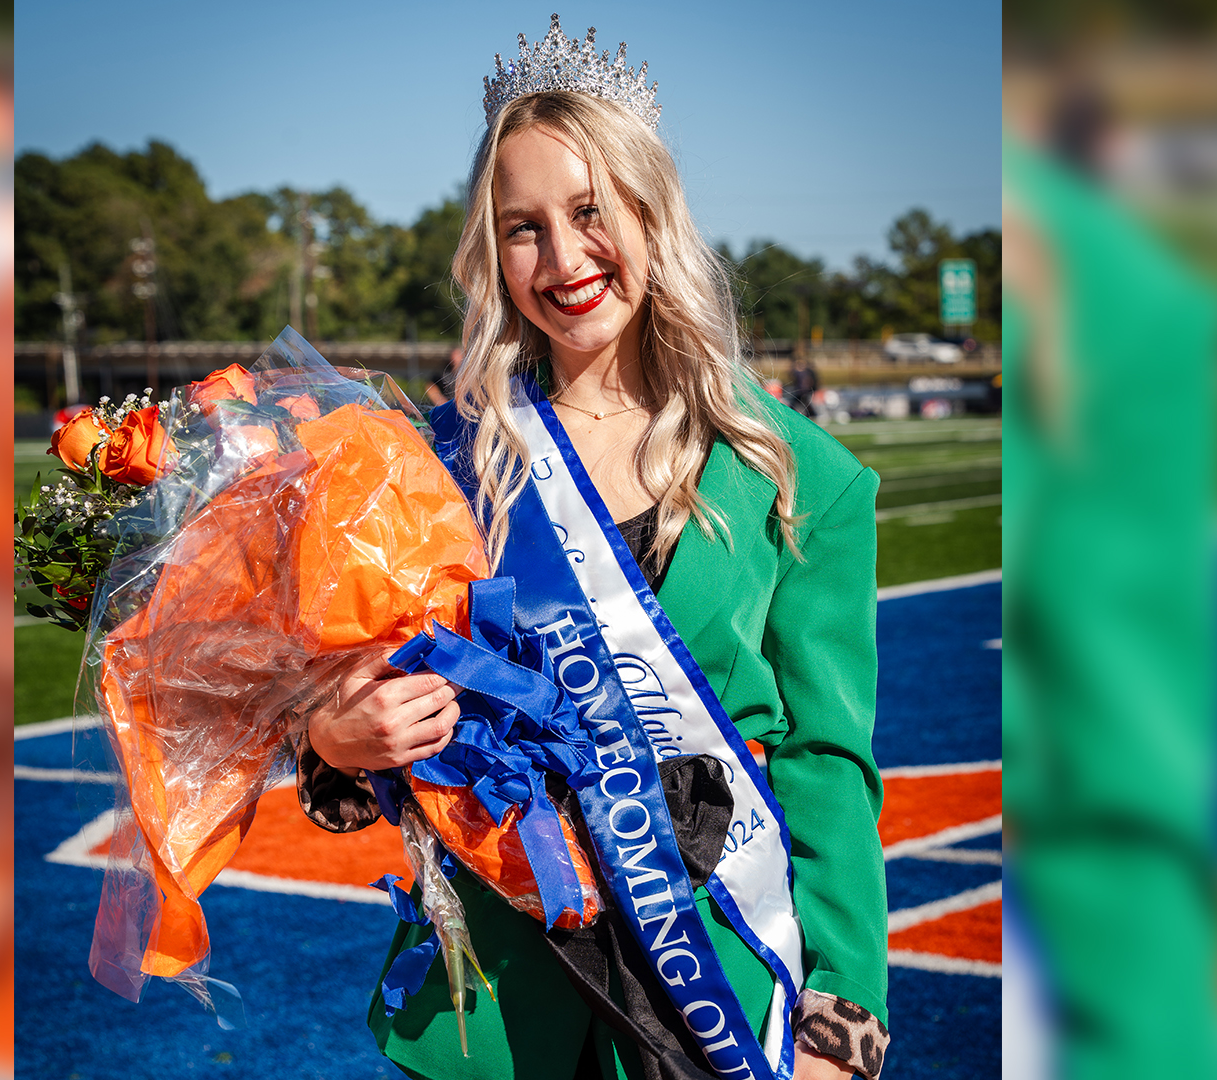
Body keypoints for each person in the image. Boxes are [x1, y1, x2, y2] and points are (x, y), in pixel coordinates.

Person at [302, 17, 886, 1080]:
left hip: (714, 983)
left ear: (652, 212)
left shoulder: (807, 477)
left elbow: (828, 761)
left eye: (589, 212)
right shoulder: (438, 467)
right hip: (498, 1012)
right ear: (490, 251)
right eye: (522, 227)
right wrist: (337, 745)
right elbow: (360, 744)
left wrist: (842, 1024)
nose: (562, 260)